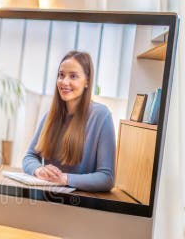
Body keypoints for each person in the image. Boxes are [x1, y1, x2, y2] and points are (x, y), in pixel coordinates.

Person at [22, 51, 115, 192]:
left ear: (87, 81)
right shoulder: (50, 116)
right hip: (48, 198)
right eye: (61, 75)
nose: (64, 82)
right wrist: (38, 169)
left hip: (81, 205)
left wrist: (65, 178)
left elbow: (107, 178)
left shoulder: (101, 116)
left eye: (73, 76)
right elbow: (30, 156)